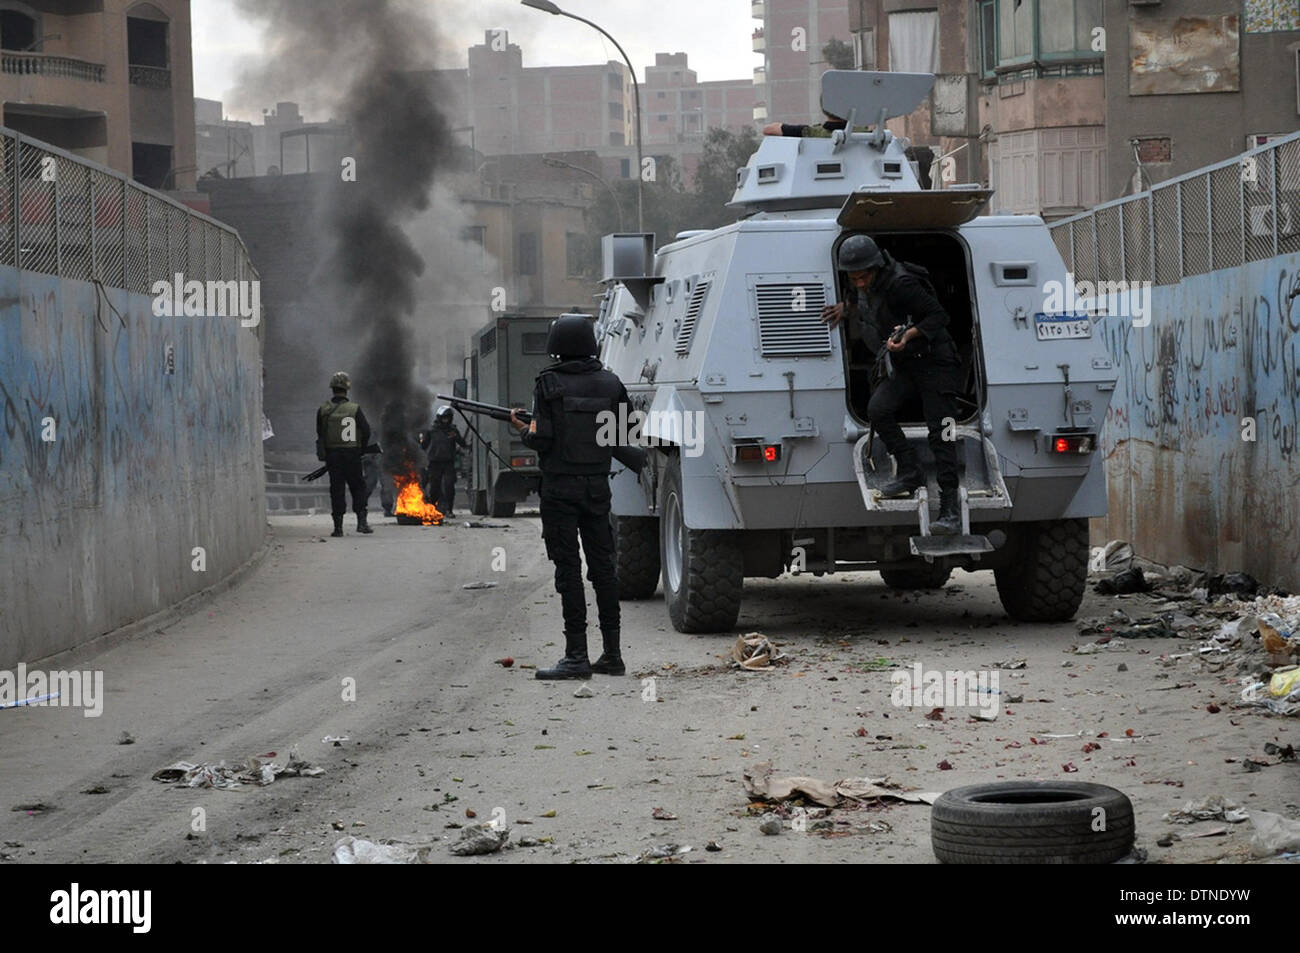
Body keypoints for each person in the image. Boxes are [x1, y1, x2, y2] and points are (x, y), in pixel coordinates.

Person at [508, 314, 634, 680]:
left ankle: (576, 656)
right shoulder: (611, 383)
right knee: (604, 571)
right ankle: (612, 655)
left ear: (557, 346)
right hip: (597, 489)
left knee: (568, 571)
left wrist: (522, 427)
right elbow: (625, 430)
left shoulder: (548, 383)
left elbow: (542, 439)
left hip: (560, 491)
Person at [822, 234, 963, 536]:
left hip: (936, 363)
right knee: (878, 410)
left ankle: (950, 509)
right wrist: (845, 309)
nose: (858, 282)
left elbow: (939, 315)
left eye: (863, 276)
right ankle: (911, 471)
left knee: (942, 432)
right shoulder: (861, 283)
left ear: (876, 267)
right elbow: (860, 299)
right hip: (906, 365)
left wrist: (907, 336)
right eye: (853, 277)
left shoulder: (902, 284)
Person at [316, 371, 373, 537]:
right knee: (358, 487)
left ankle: (338, 528)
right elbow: (366, 431)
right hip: (352, 455)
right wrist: (360, 449)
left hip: (333, 456)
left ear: (332, 388)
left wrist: (327, 453)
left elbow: (320, 434)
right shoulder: (354, 409)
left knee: (337, 490)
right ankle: (362, 523)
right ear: (347, 389)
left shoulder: (323, 409)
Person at [418, 405, 469, 517]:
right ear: (439, 418)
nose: (445, 420)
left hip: (448, 463)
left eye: (448, 418)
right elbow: (423, 446)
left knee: (449, 486)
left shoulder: (453, 430)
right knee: (434, 488)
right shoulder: (431, 431)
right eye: (444, 418)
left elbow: (463, 443)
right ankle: (433, 508)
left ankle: (449, 510)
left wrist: (456, 437)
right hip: (434, 463)